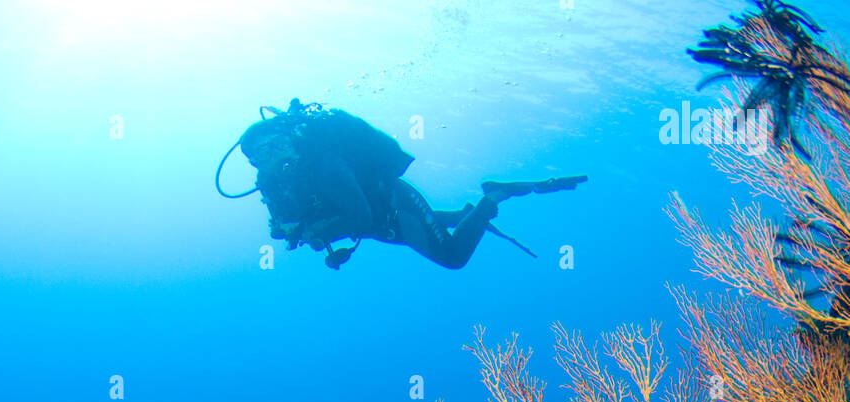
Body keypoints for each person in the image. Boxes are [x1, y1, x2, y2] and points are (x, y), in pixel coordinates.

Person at [216, 99, 587, 270]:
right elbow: (293, 227)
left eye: (265, 152)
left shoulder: (325, 166)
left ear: (283, 140)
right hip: (383, 225)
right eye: (254, 159)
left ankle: (493, 195)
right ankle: (464, 213)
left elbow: (359, 217)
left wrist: (314, 228)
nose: (261, 165)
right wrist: (295, 230)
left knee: (452, 257)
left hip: (394, 206)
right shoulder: (279, 182)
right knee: (436, 227)